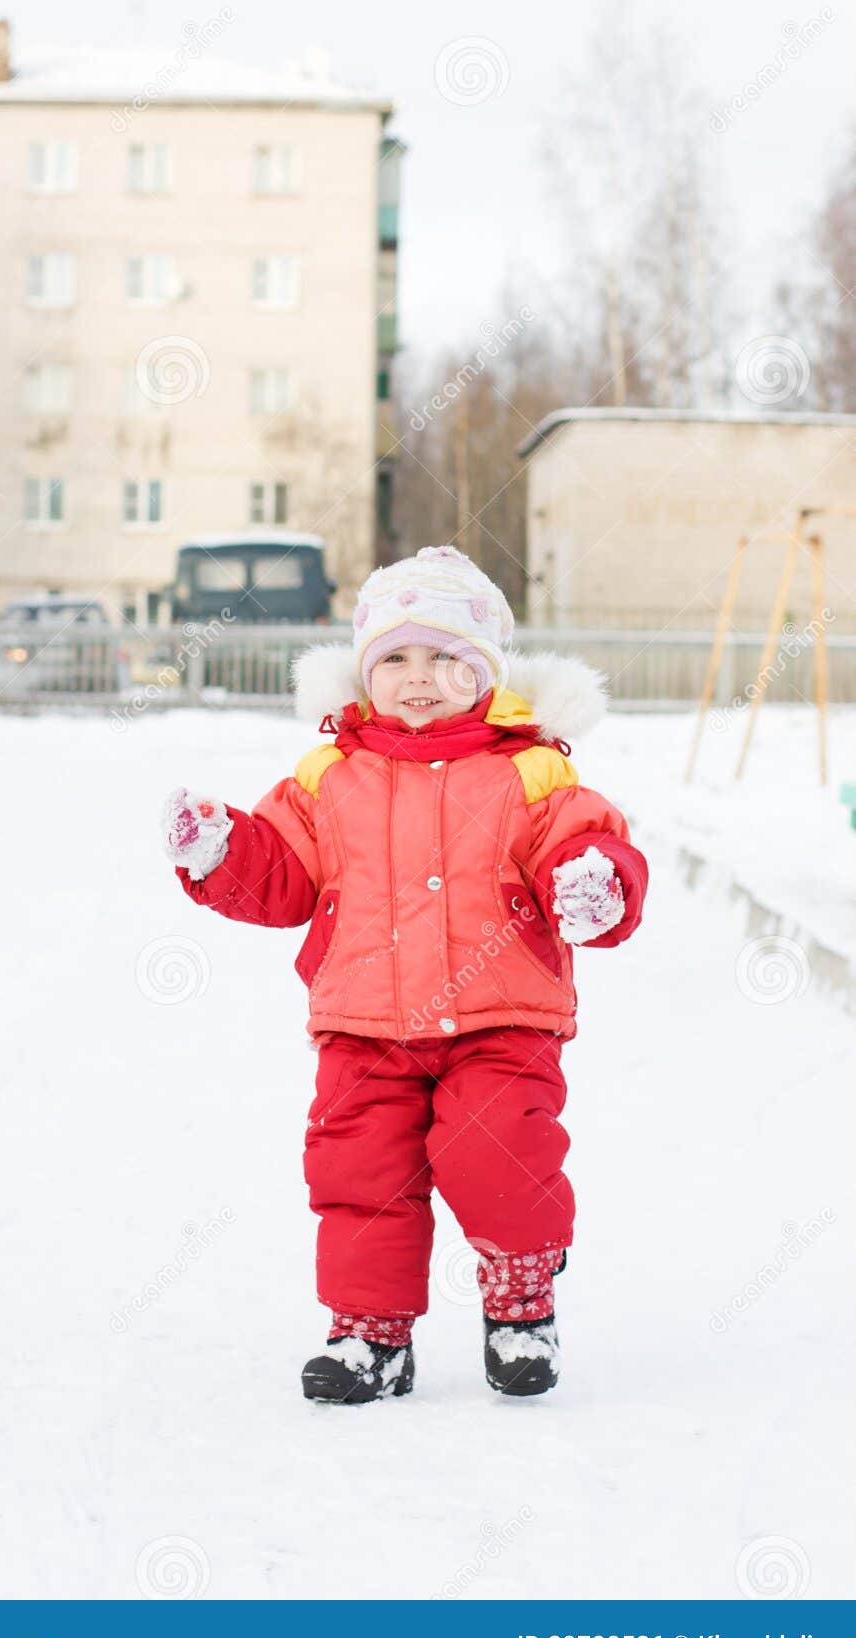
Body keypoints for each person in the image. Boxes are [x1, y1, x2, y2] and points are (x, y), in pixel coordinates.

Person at [161, 545, 648, 1404]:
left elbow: (583, 842)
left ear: (485, 674)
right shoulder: (328, 774)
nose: (417, 678)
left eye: (445, 659)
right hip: (363, 1024)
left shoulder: (531, 770)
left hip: (500, 1020)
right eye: (395, 658)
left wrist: (593, 884)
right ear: (363, 672)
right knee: (359, 1179)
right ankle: (368, 1337)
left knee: (502, 1158)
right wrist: (223, 849)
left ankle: (521, 1301)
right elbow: (282, 876)